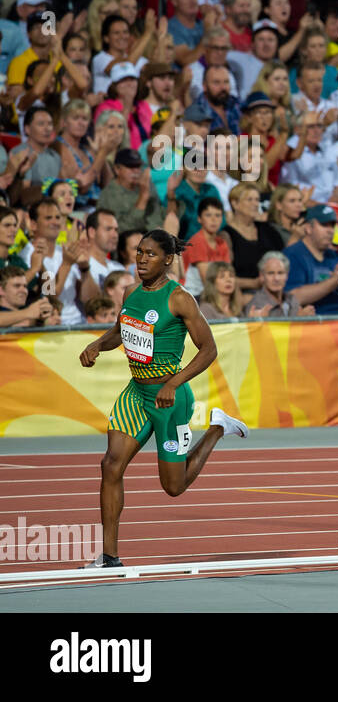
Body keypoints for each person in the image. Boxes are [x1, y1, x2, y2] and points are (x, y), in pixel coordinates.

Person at [78, 230, 249, 568]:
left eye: (150, 254)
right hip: (137, 394)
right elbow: (120, 331)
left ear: (168, 259)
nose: (141, 260)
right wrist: (98, 344)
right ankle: (109, 556)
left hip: (169, 402)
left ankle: (217, 428)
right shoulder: (130, 292)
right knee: (110, 465)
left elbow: (209, 349)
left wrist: (175, 382)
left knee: (174, 487)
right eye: (139, 252)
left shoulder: (180, 299)